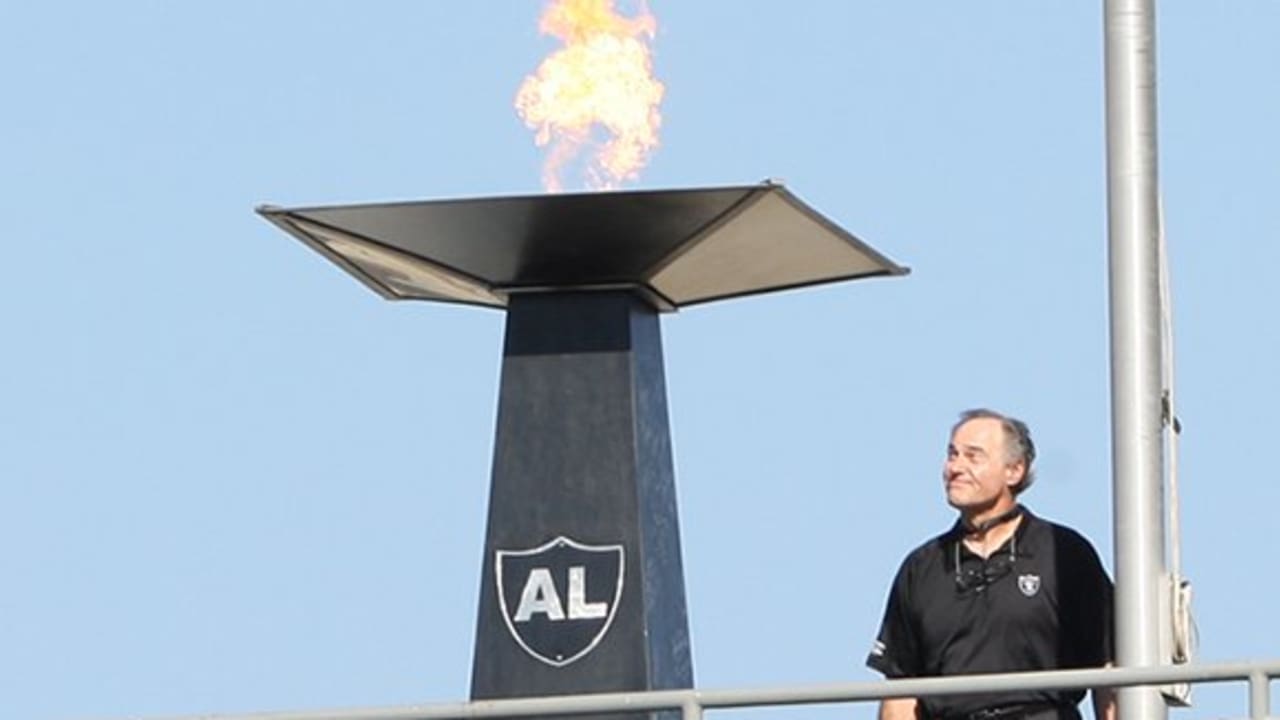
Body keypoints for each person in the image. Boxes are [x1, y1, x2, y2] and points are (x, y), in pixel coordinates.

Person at [866, 409, 1116, 720]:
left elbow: (1108, 672)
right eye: (952, 454)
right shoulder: (922, 567)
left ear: (1014, 470)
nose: (955, 467)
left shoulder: (1063, 553)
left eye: (973, 456)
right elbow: (901, 690)